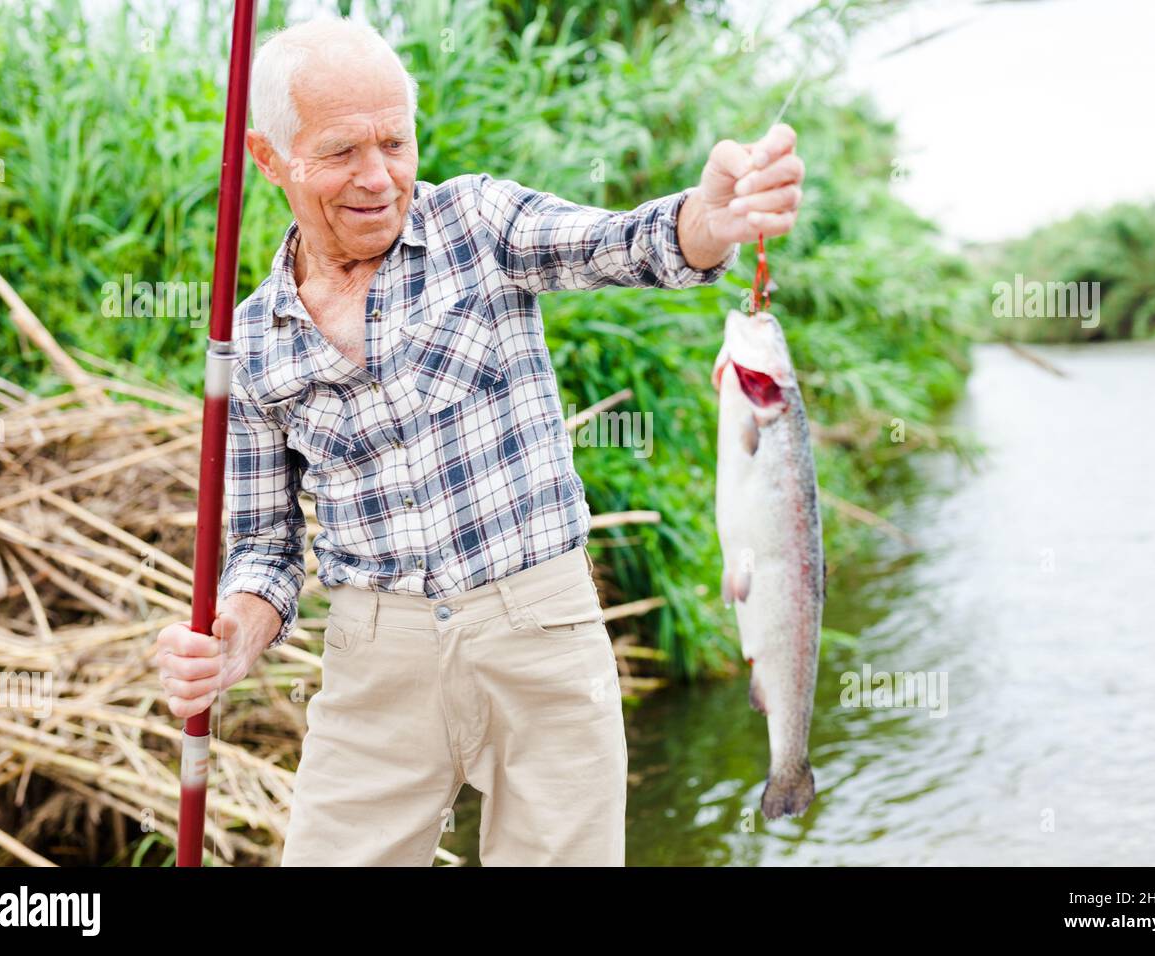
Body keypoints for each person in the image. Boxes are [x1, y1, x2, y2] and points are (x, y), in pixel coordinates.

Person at [153, 16, 805, 866]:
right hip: (373, 665)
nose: (378, 177)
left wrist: (708, 222)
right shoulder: (250, 346)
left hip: (540, 635)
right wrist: (235, 634)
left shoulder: (480, 223)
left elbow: (623, 245)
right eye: (343, 150)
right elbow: (266, 550)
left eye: (396, 141)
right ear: (270, 157)